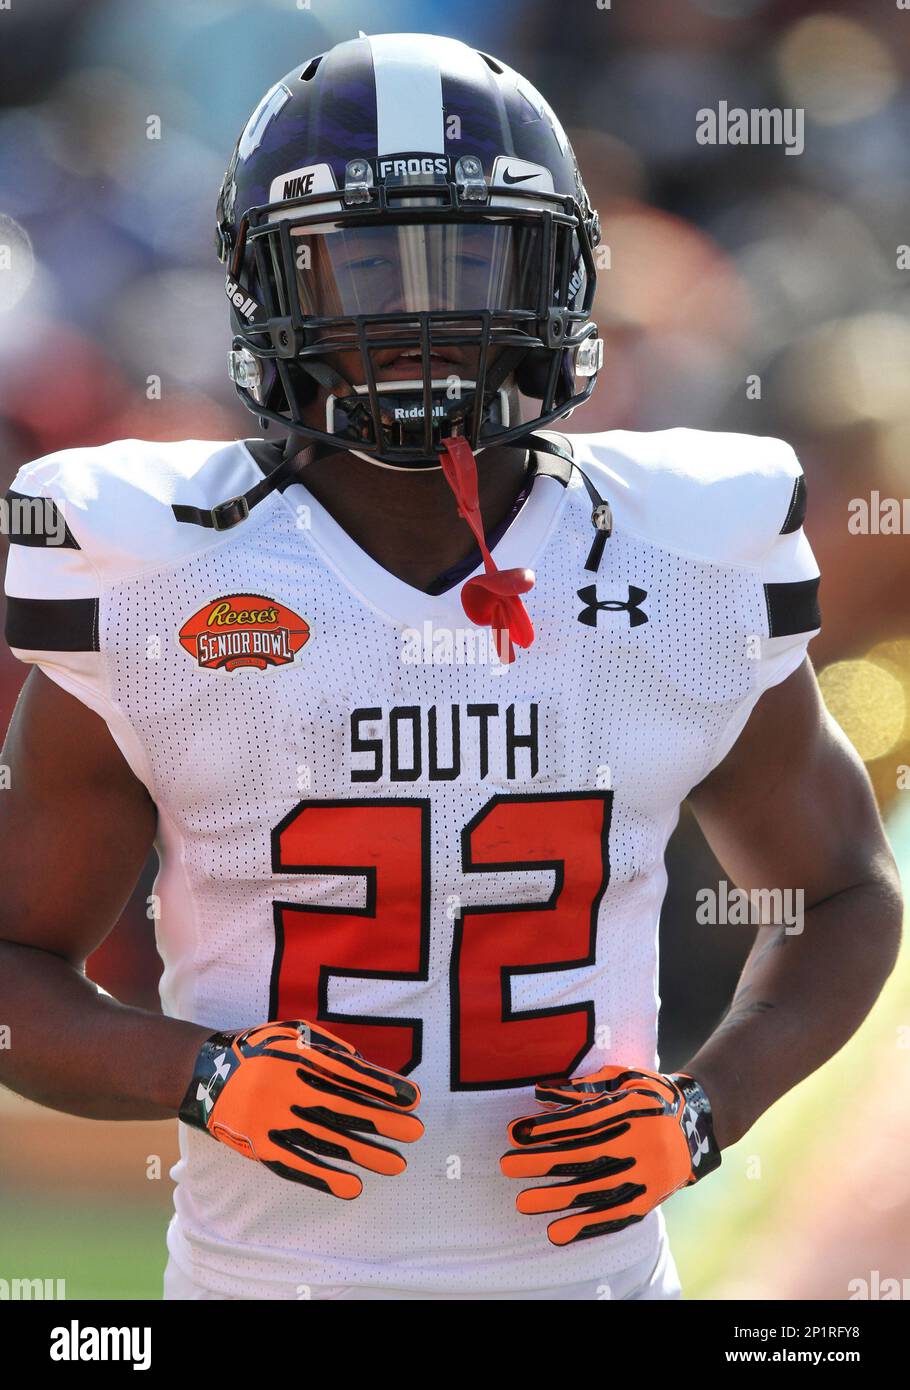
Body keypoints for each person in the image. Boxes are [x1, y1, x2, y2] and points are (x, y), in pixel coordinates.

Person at [0, 32, 901, 1301]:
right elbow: (14, 964)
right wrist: (196, 1071)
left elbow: (846, 896)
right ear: (272, 285)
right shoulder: (165, 577)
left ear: (559, 272)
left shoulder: (682, 562)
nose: (417, 313)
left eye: (466, 256)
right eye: (362, 265)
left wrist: (709, 1106)